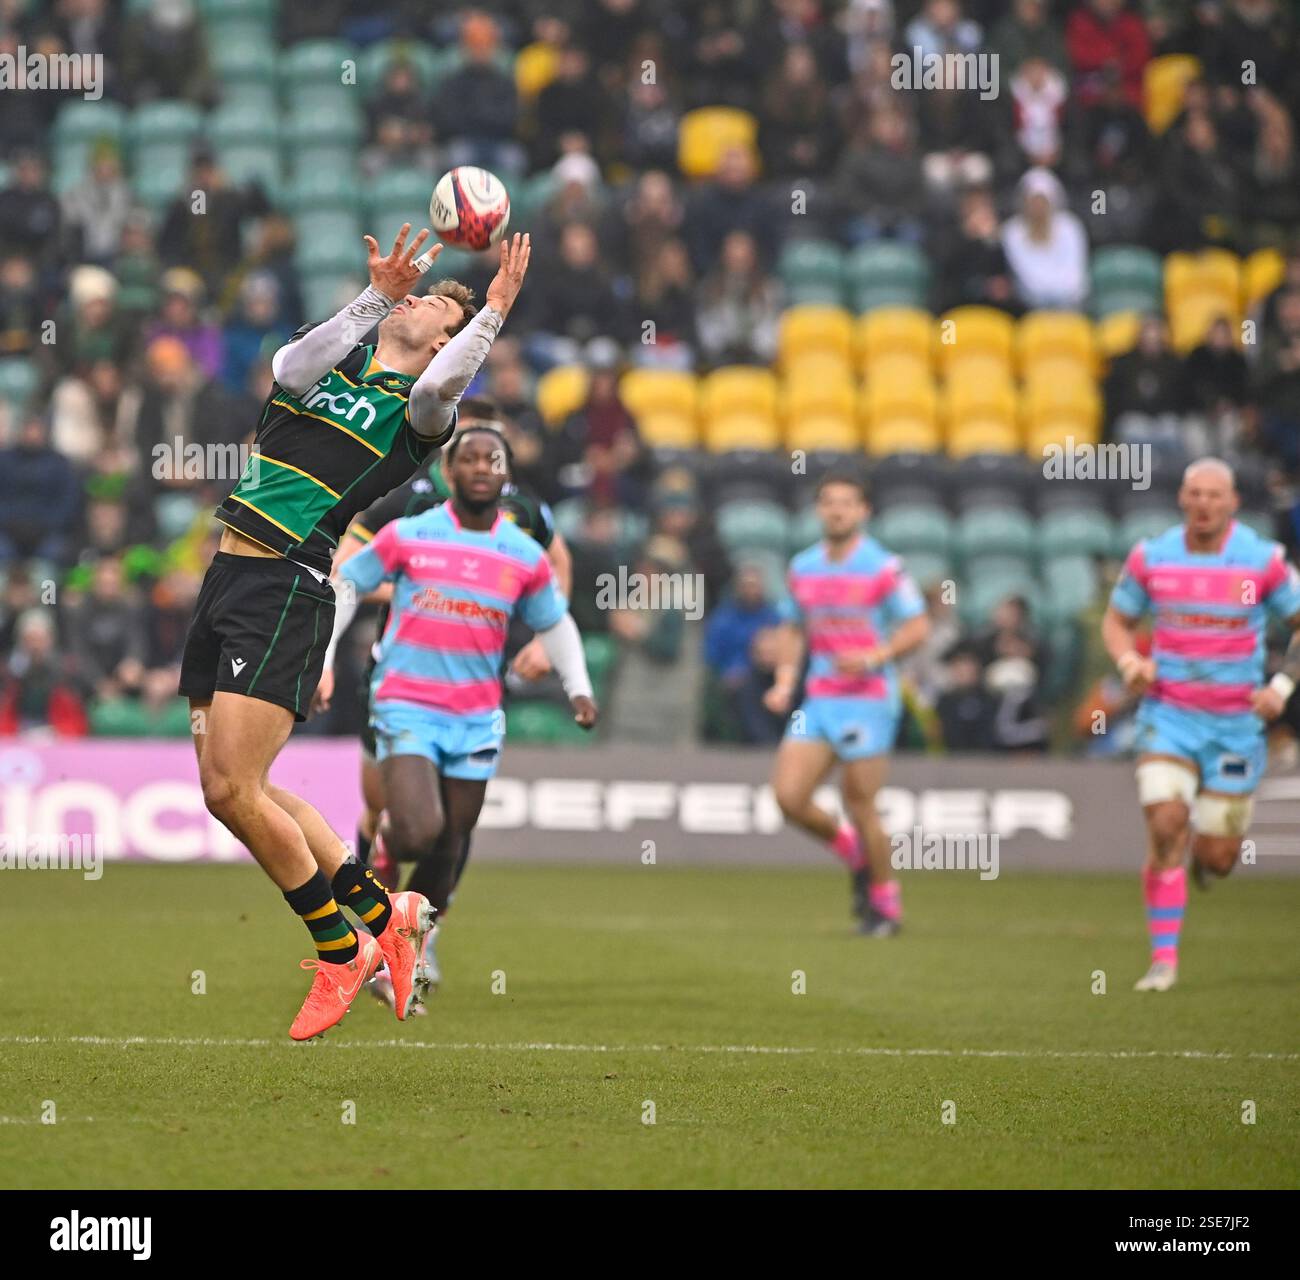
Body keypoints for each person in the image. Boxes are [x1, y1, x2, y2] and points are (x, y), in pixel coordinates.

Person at [178, 225, 532, 1040]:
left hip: (284, 587)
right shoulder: (329, 365)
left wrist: (493, 311)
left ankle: (344, 949)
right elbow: (286, 367)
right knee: (239, 791)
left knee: (231, 789)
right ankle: (388, 909)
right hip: (228, 576)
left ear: (446, 338)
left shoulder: (416, 416)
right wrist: (375, 295)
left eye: (433, 303)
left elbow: (446, 387)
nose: (417, 300)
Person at [321, 426, 598, 1006]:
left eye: (490, 458)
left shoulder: (523, 553)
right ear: (448, 472)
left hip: (476, 715)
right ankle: (391, 870)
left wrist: (578, 688)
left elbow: (555, 621)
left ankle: (404, 941)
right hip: (405, 702)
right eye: (466, 457)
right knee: (420, 830)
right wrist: (323, 660)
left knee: (452, 839)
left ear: (505, 474)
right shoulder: (409, 535)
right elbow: (347, 585)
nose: (479, 466)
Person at [1102, 458, 1300, 993]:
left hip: (1236, 726)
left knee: (1218, 857)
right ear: (1182, 500)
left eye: (1215, 495)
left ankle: (1204, 864)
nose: (1204, 504)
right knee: (1166, 825)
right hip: (1169, 716)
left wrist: (1281, 687)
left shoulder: (1263, 561)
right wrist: (1129, 664)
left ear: (1233, 502)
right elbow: (1117, 620)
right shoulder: (1152, 556)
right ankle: (1163, 960)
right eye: (1195, 494)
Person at [764, 472, 931, 936]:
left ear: (864, 512)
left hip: (869, 700)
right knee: (788, 798)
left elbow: (917, 626)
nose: (837, 510)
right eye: (829, 503)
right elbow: (794, 627)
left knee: (860, 802)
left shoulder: (883, 567)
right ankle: (853, 853)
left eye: (847, 503)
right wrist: (783, 680)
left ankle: (885, 904)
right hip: (819, 699)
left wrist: (875, 656)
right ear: (819, 510)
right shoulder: (803, 567)